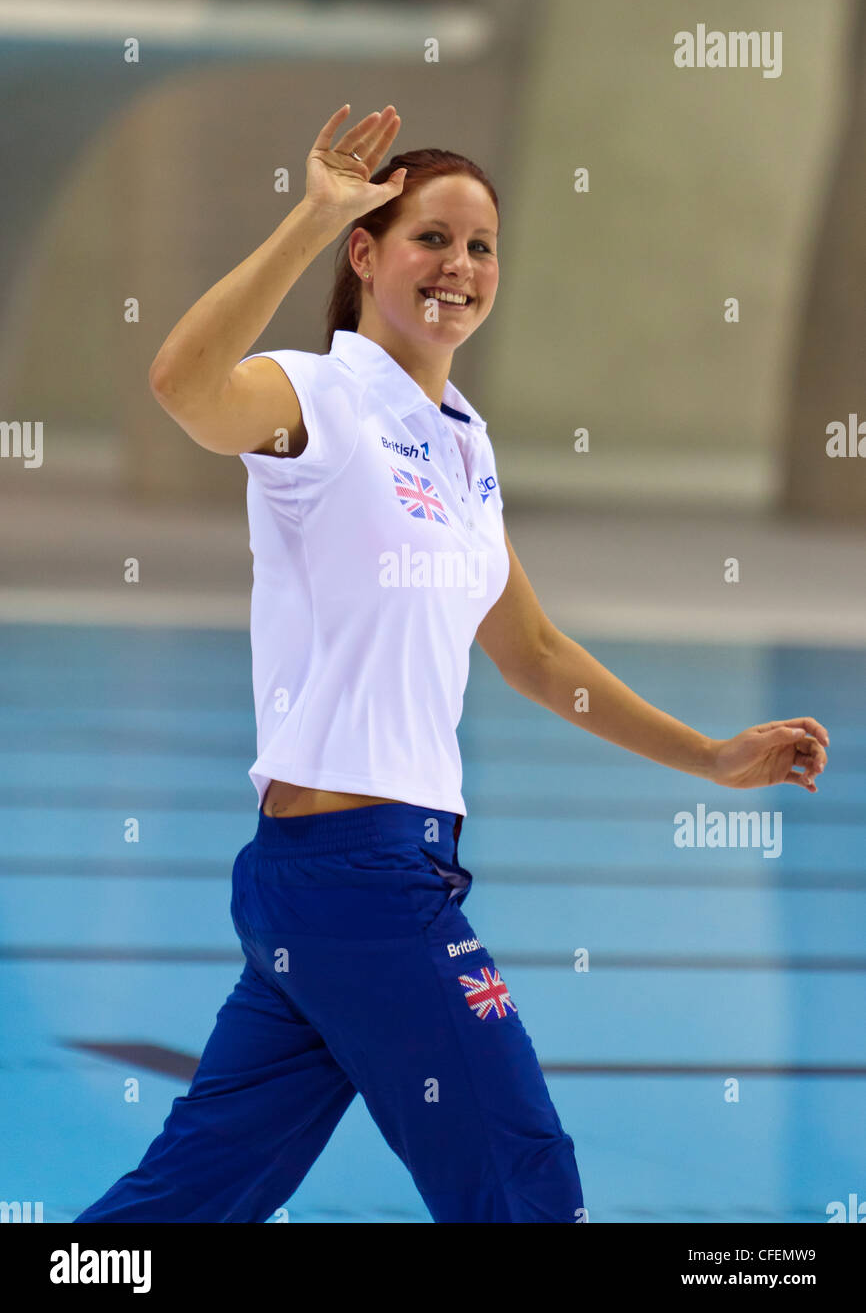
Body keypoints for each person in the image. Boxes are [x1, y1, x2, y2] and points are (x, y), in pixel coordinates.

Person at [73, 103, 830, 1224]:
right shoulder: (316, 396)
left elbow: (530, 648)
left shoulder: (461, 438)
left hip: (348, 880)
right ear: (366, 253)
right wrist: (308, 214)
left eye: (480, 247)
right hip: (356, 876)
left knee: (185, 1203)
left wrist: (710, 757)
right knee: (525, 1186)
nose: (458, 267)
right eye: (430, 237)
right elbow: (183, 384)